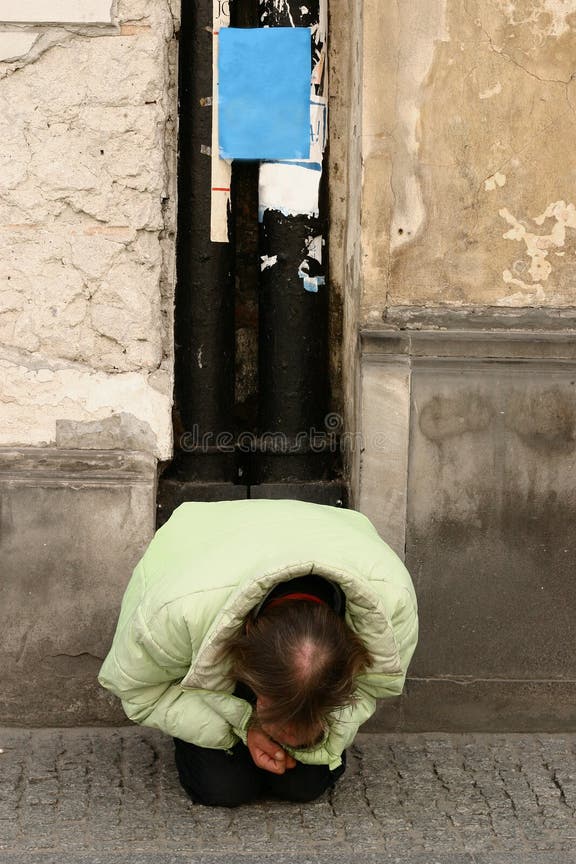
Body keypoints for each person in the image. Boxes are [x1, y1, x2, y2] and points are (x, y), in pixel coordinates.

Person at [98, 499, 418, 807]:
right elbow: (138, 691)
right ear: (252, 679)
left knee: (304, 785)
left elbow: (374, 686)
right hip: (206, 573)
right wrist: (246, 727)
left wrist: (317, 743)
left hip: (315, 557)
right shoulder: (177, 612)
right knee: (223, 788)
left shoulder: (391, 606)